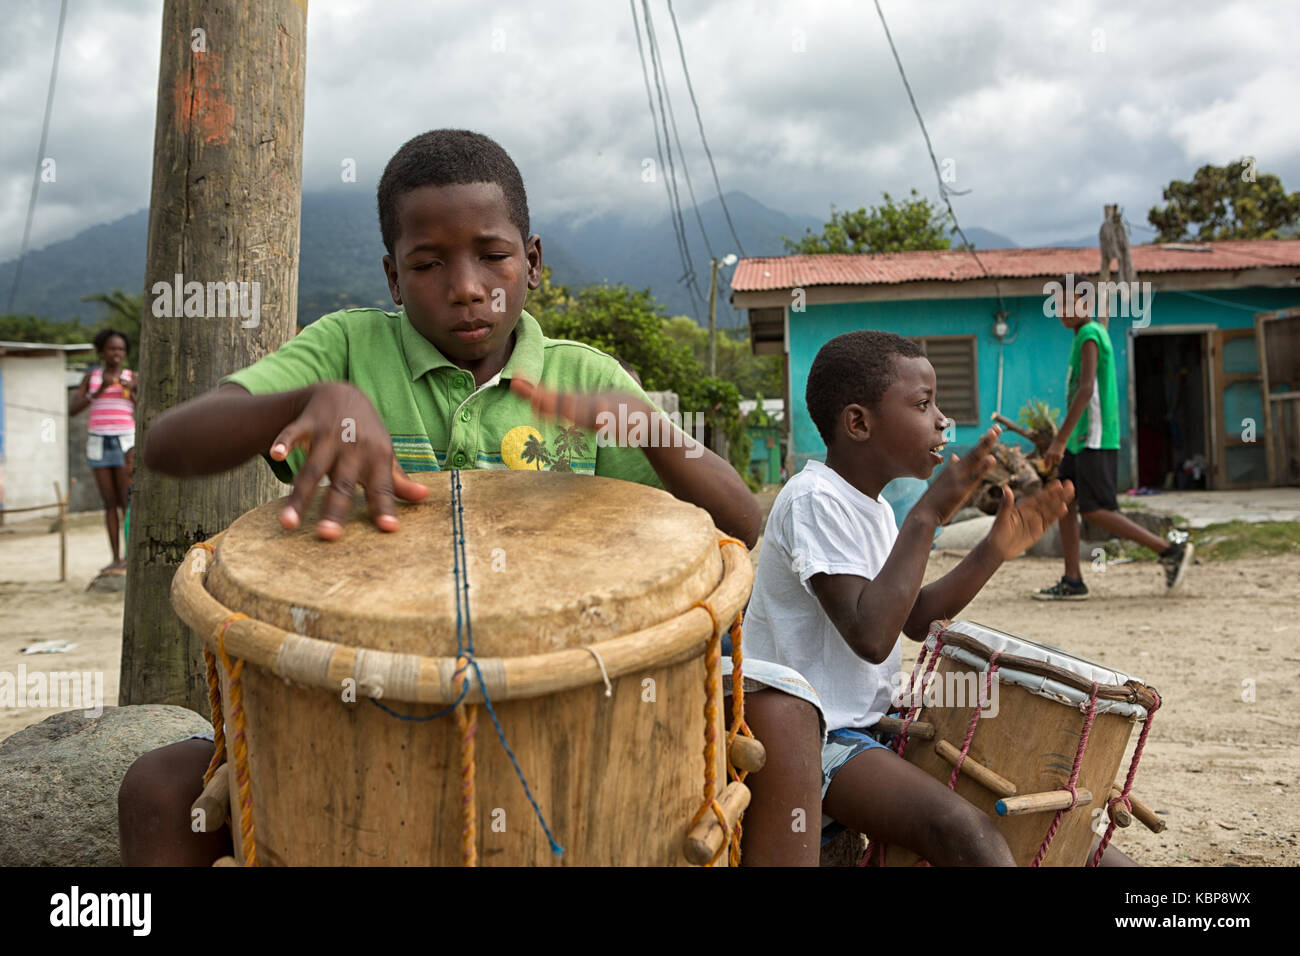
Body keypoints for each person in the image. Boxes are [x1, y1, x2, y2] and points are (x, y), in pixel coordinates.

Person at [117, 129, 804, 865]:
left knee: (786, 723)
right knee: (156, 789)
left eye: (493, 255)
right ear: (391, 276)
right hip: (360, 697)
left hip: (564, 698)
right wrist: (318, 395)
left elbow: (740, 518)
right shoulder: (347, 350)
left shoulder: (584, 378)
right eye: (428, 263)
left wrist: (635, 421)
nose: (468, 285)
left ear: (532, 262)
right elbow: (169, 446)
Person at [744, 330, 1078, 865]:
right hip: (815, 739)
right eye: (923, 404)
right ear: (858, 423)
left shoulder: (873, 509)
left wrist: (992, 551)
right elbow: (872, 635)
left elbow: (914, 617)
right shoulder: (812, 500)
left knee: (1039, 817)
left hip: (870, 727)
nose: (942, 420)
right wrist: (927, 515)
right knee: (967, 833)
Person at [1036, 276, 1193, 600]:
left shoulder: (1091, 335)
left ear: (1086, 304)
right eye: (1058, 305)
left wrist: (1059, 440)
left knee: (1096, 509)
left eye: (1069, 303)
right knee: (1062, 500)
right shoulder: (1082, 336)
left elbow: (1087, 389)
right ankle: (1072, 580)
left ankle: (1168, 550)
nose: (1062, 311)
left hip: (1092, 438)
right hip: (1080, 440)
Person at [69, 329, 137, 574]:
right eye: (111, 349)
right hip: (99, 441)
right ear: (101, 352)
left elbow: (144, 406)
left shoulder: (132, 377)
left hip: (124, 442)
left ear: (125, 353)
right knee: (109, 503)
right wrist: (99, 391)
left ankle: (130, 556)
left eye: (120, 349)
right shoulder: (91, 378)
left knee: (126, 501)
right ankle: (115, 558)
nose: (116, 353)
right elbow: (73, 409)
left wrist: (133, 389)